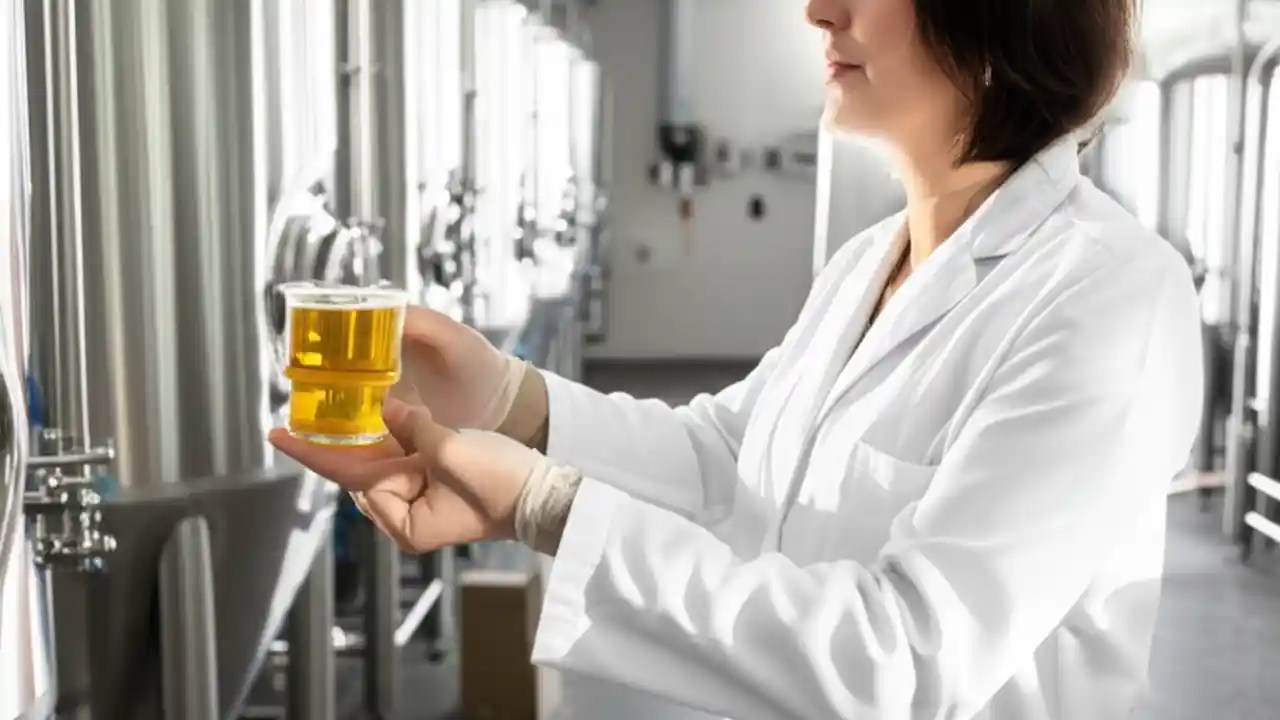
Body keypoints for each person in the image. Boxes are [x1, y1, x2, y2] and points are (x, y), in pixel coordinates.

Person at [272, 0, 1204, 717]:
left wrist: (542, 505)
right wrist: (511, 399)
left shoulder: (1107, 295)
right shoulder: (867, 263)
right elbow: (727, 458)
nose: (818, 9)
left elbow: (908, 660)